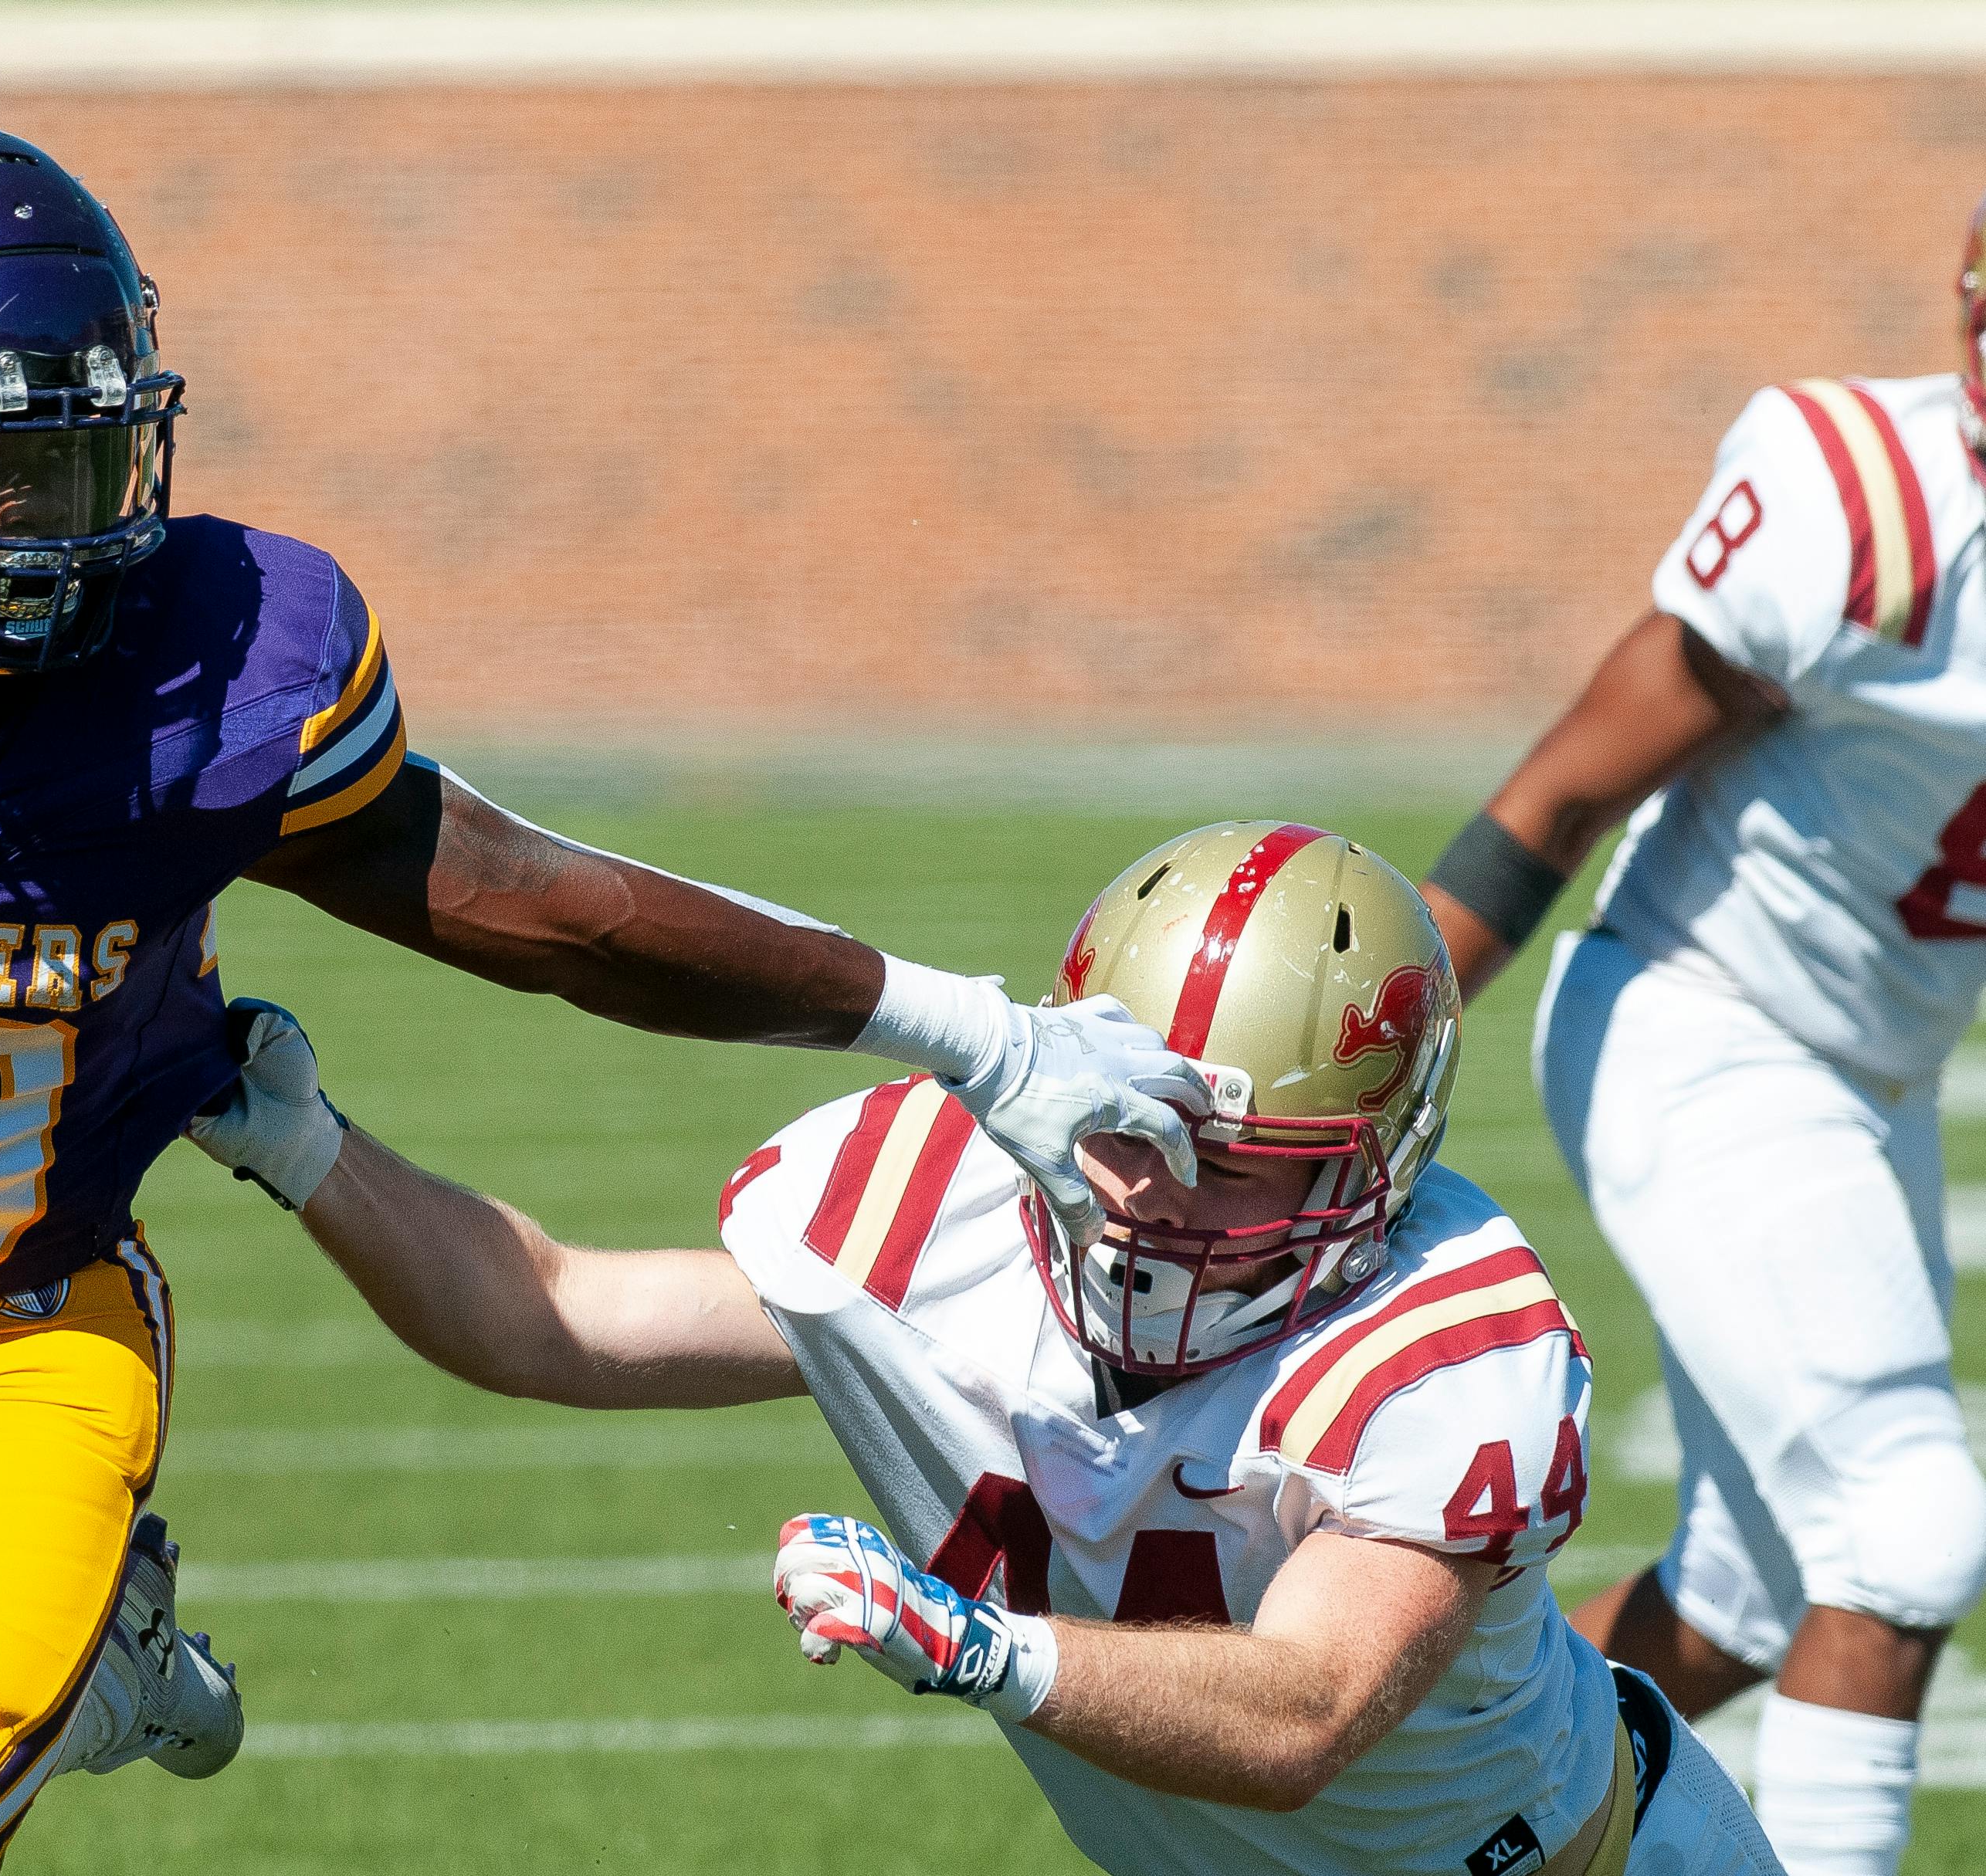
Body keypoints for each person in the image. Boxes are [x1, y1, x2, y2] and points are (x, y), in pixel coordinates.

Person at [0, 123, 1202, 1876]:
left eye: (75, 456)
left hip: (25, 1341)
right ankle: (97, 1671)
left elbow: (552, 913)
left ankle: (64, 1626)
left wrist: (968, 1030)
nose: (43, 528)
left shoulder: (206, 672)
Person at [190, 821, 1781, 1875]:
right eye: (1140, 1131)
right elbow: (562, 1318)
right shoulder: (922, 1210)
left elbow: (1303, 1716)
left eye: (1247, 1165)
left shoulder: (1437, 1345)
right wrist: (307, 1149)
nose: (1165, 1199)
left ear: (1378, 1161)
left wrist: (978, 1651)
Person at [1417, 201, 1986, 1876]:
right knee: (1897, 1533)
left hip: (1864, 1073)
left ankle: (1409, 1821)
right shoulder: (1870, 518)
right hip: (1698, 1022)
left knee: (1744, 1598)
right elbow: (1559, 792)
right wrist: (1354, 1067)